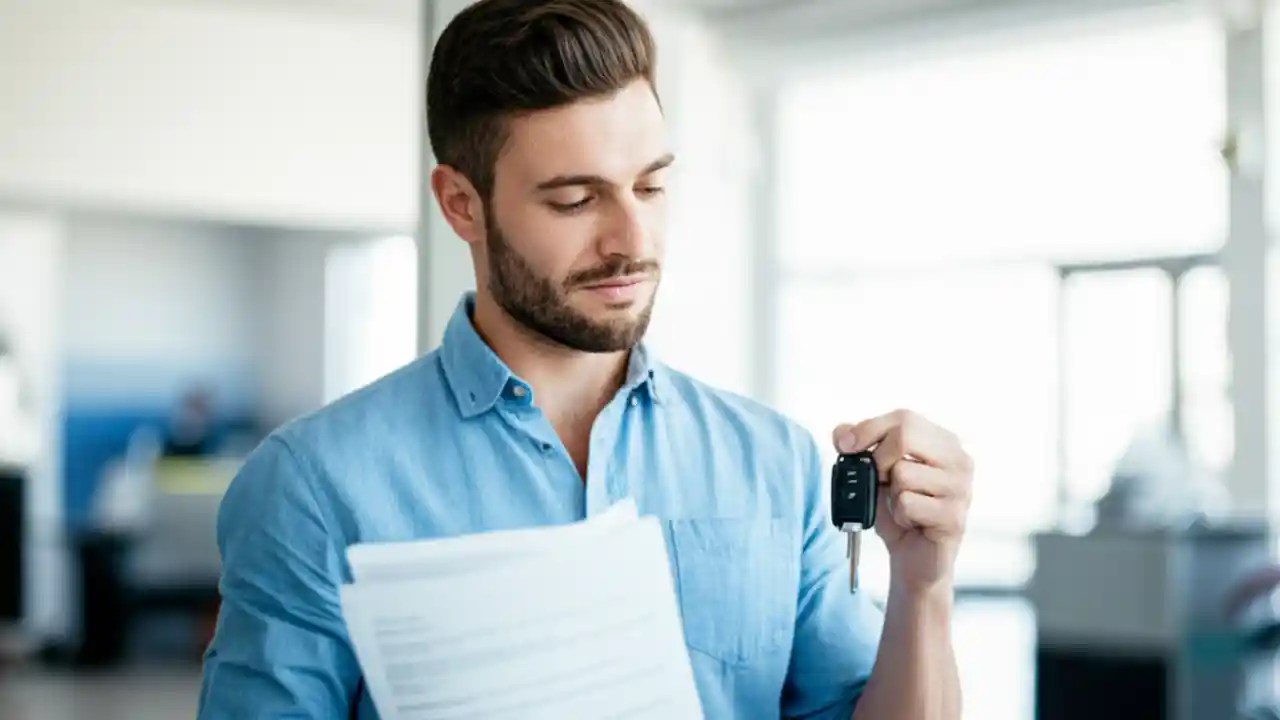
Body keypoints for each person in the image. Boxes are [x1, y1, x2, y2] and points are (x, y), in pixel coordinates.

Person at [197, 1, 973, 717]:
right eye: (575, 200)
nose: (632, 241)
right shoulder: (312, 486)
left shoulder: (774, 462)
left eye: (651, 186)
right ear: (462, 204)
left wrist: (923, 584)